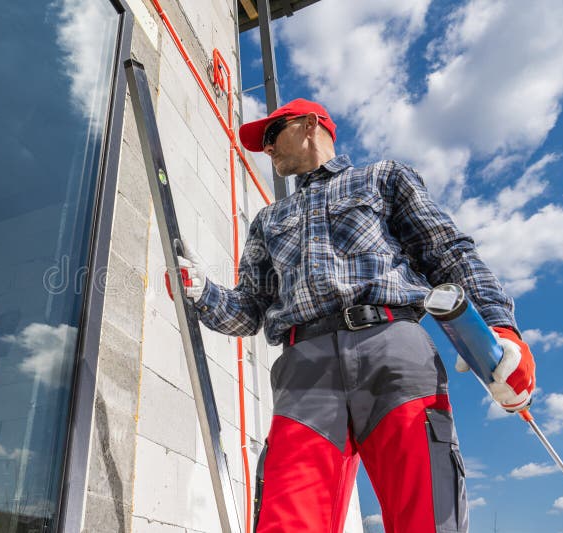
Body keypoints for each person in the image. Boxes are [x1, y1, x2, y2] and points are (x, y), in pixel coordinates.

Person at [174, 99, 536, 532]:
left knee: (426, 514)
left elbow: (448, 253)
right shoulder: (268, 220)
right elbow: (249, 310)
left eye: (272, 135)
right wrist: (203, 292)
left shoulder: (383, 178)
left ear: (310, 124)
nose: (266, 149)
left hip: (394, 353)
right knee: (285, 520)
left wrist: (500, 329)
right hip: (304, 370)